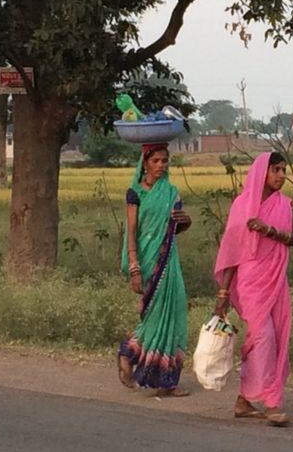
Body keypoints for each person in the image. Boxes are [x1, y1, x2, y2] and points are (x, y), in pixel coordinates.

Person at [213, 152, 293, 427]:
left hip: (276, 281)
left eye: (284, 170)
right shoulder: (242, 205)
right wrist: (223, 294)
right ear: (261, 172)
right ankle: (271, 403)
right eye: (276, 170)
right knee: (263, 337)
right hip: (251, 282)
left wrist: (272, 232)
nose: (281, 175)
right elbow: (232, 252)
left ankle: (245, 400)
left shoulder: (286, 204)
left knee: (277, 338)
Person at [117, 142, 192, 396]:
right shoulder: (135, 193)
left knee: (173, 312)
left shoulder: (171, 192)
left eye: (165, 161)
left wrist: (186, 222)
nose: (161, 165)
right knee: (155, 315)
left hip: (169, 261)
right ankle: (133, 356)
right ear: (145, 163)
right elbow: (132, 232)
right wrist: (134, 268)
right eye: (155, 161)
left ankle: (153, 369)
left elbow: (172, 229)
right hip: (148, 263)